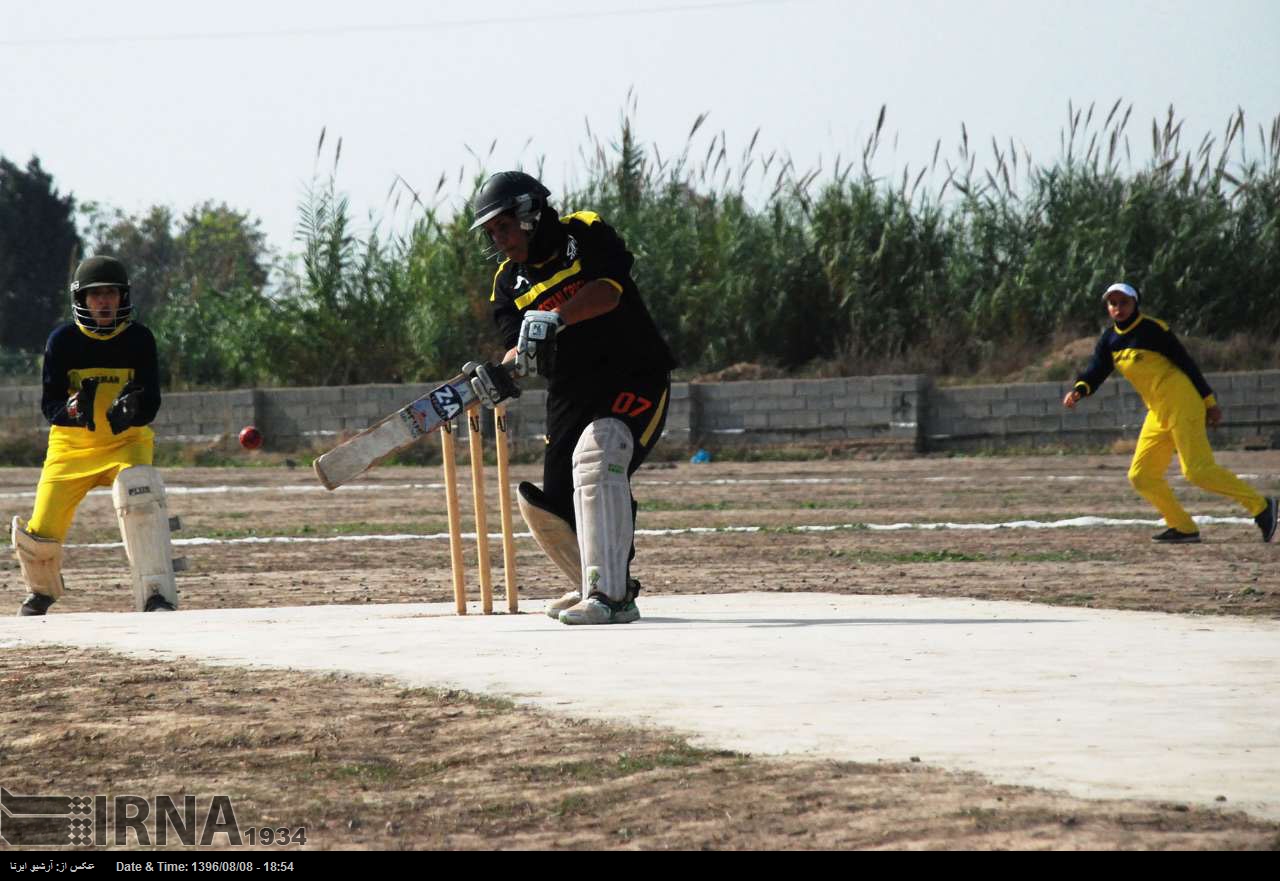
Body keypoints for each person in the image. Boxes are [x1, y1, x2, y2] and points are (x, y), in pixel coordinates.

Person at [466, 171, 677, 625]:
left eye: (504, 226)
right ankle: (597, 582)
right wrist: (503, 372)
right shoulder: (507, 282)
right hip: (570, 391)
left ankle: (610, 597)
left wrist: (556, 316)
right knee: (555, 505)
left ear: (530, 214)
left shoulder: (584, 231)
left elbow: (608, 291)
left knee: (600, 455)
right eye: (491, 232)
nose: (499, 239)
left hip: (633, 372)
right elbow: (519, 348)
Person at [12, 255, 181, 615]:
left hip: (127, 442)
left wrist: (134, 410)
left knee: (141, 498)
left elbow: (152, 402)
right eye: (95, 294)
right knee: (39, 533)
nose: (104, 301)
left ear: (122, 297)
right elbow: (50, 405)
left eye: (110, 293)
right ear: (82, 299)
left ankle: (156, 593)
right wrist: (73, 411)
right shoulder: (62, 340)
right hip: (71, 448)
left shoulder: (139, 338)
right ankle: (41, 592)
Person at [1063, 282, 1276, 544]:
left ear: (1135, 303)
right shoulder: (1109, 339)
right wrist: (1079, 390)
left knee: (1197, 471)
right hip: (1158, 411)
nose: (1118, 308)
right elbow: (1096, 370)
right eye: (1113, 303)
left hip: (1182, 402)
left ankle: (1261, 506)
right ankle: (1183, 527)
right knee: (1141, 476)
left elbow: (1187, 363)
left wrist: (1209, 402)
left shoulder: (1153, 329)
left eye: (1124, 302)